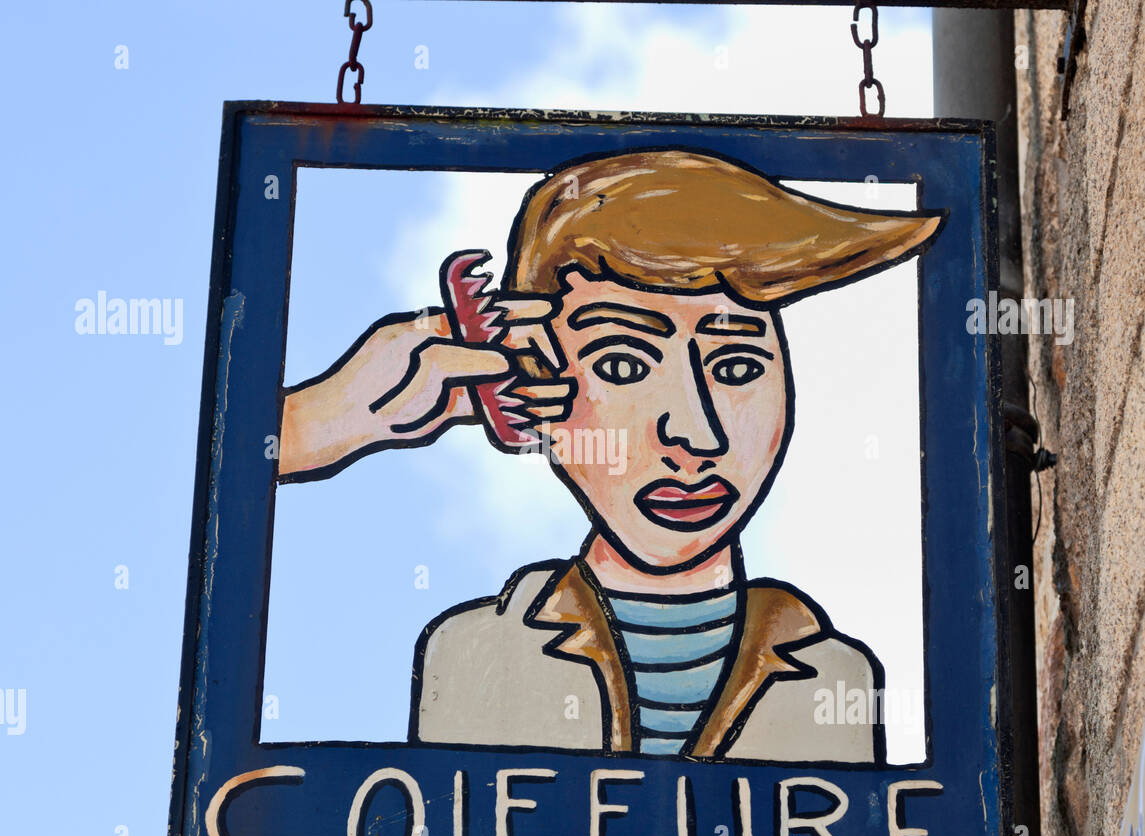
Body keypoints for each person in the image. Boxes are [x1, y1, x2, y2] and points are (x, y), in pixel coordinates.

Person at [278, 149, 943, 762]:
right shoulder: (477, 651)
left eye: (737, 365)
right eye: (623, 364)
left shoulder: (834, 677)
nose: (696, 433)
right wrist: (324, 423)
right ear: (526, 381)